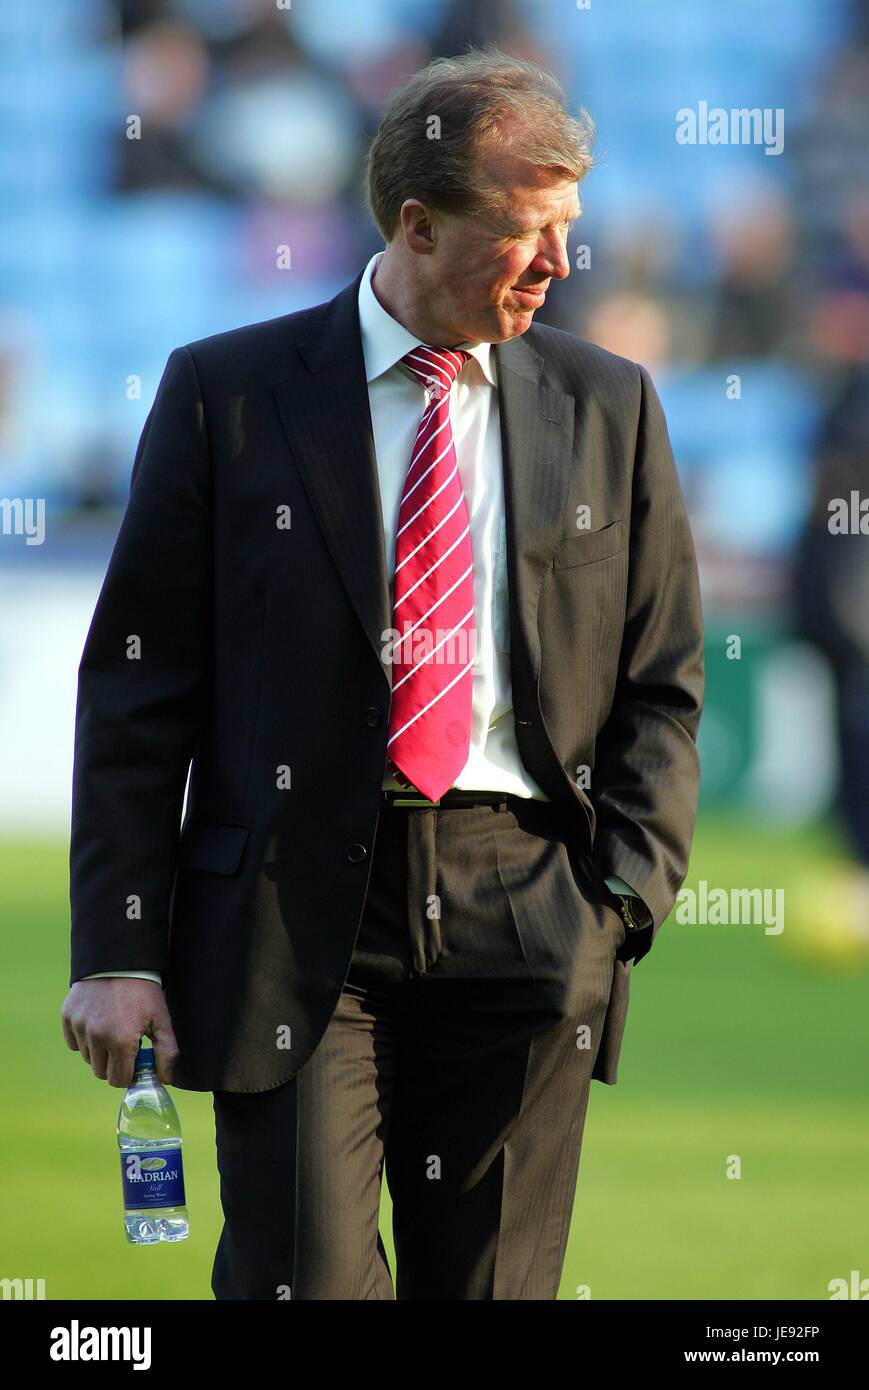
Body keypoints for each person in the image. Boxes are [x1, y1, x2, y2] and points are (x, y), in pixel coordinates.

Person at [61, 48, 704, 1300]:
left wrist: (616, 904)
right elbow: (139, 693)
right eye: (526, 232)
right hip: (293, 918)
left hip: (529, 910)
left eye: (567, 229)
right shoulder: (226, 395)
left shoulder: (608, 403)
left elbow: (659, 684)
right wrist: (120, 946)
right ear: (417, 222)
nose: (559, 265)